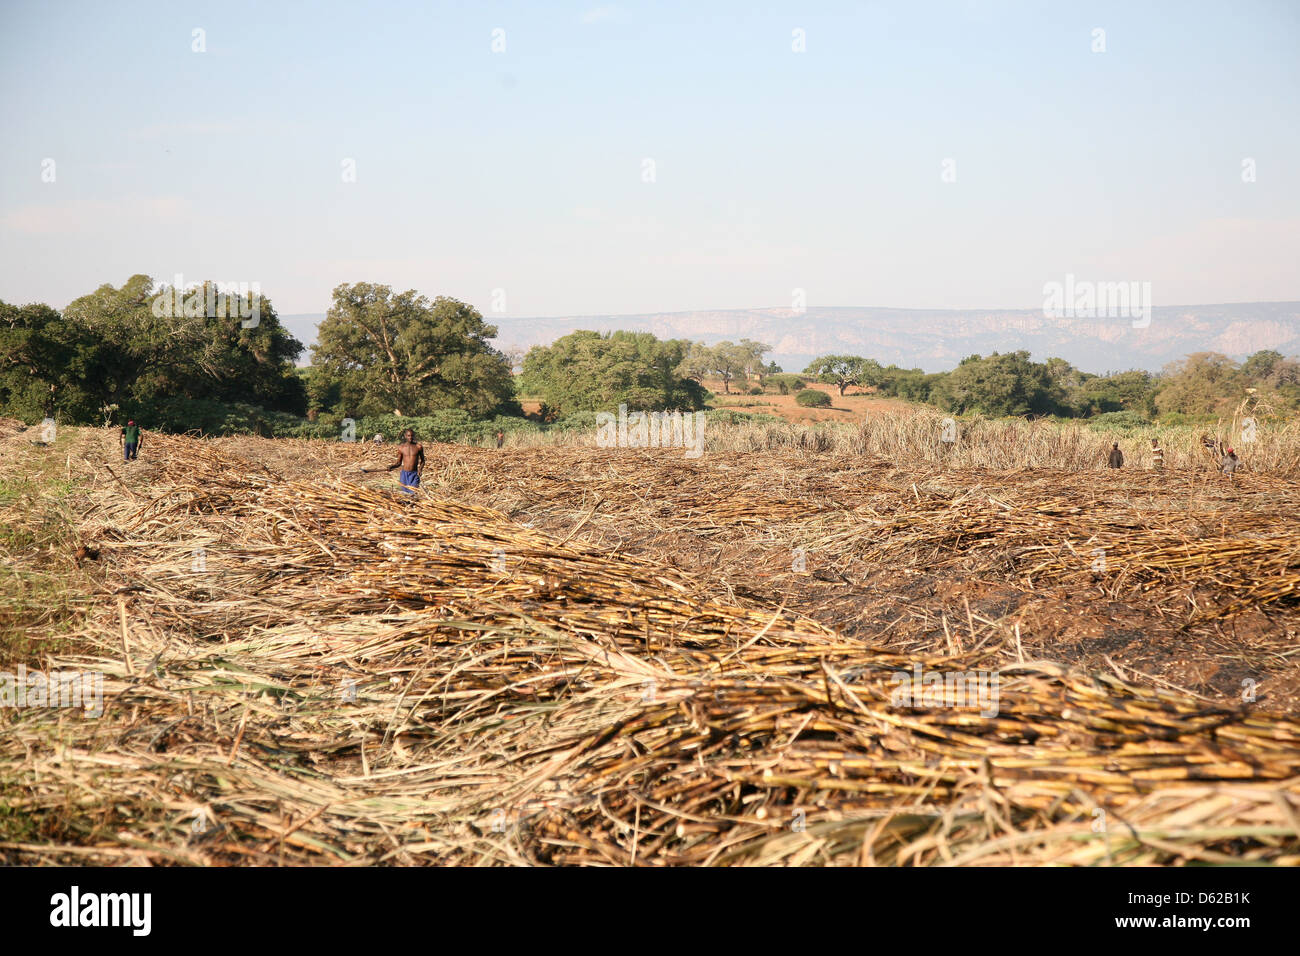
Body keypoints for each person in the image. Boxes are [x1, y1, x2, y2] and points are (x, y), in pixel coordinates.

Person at [386, 427, 425, 494]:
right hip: (404, 474)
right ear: (405, 436)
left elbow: (423, 461)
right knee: (404, 495)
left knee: (414, 493)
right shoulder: (401, 448)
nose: (410, 437)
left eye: (412, 435)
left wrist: (420, 469)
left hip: (414, 474)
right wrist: (391, 466)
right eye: (408, 436)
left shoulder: (418, 447)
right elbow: (398, 463)